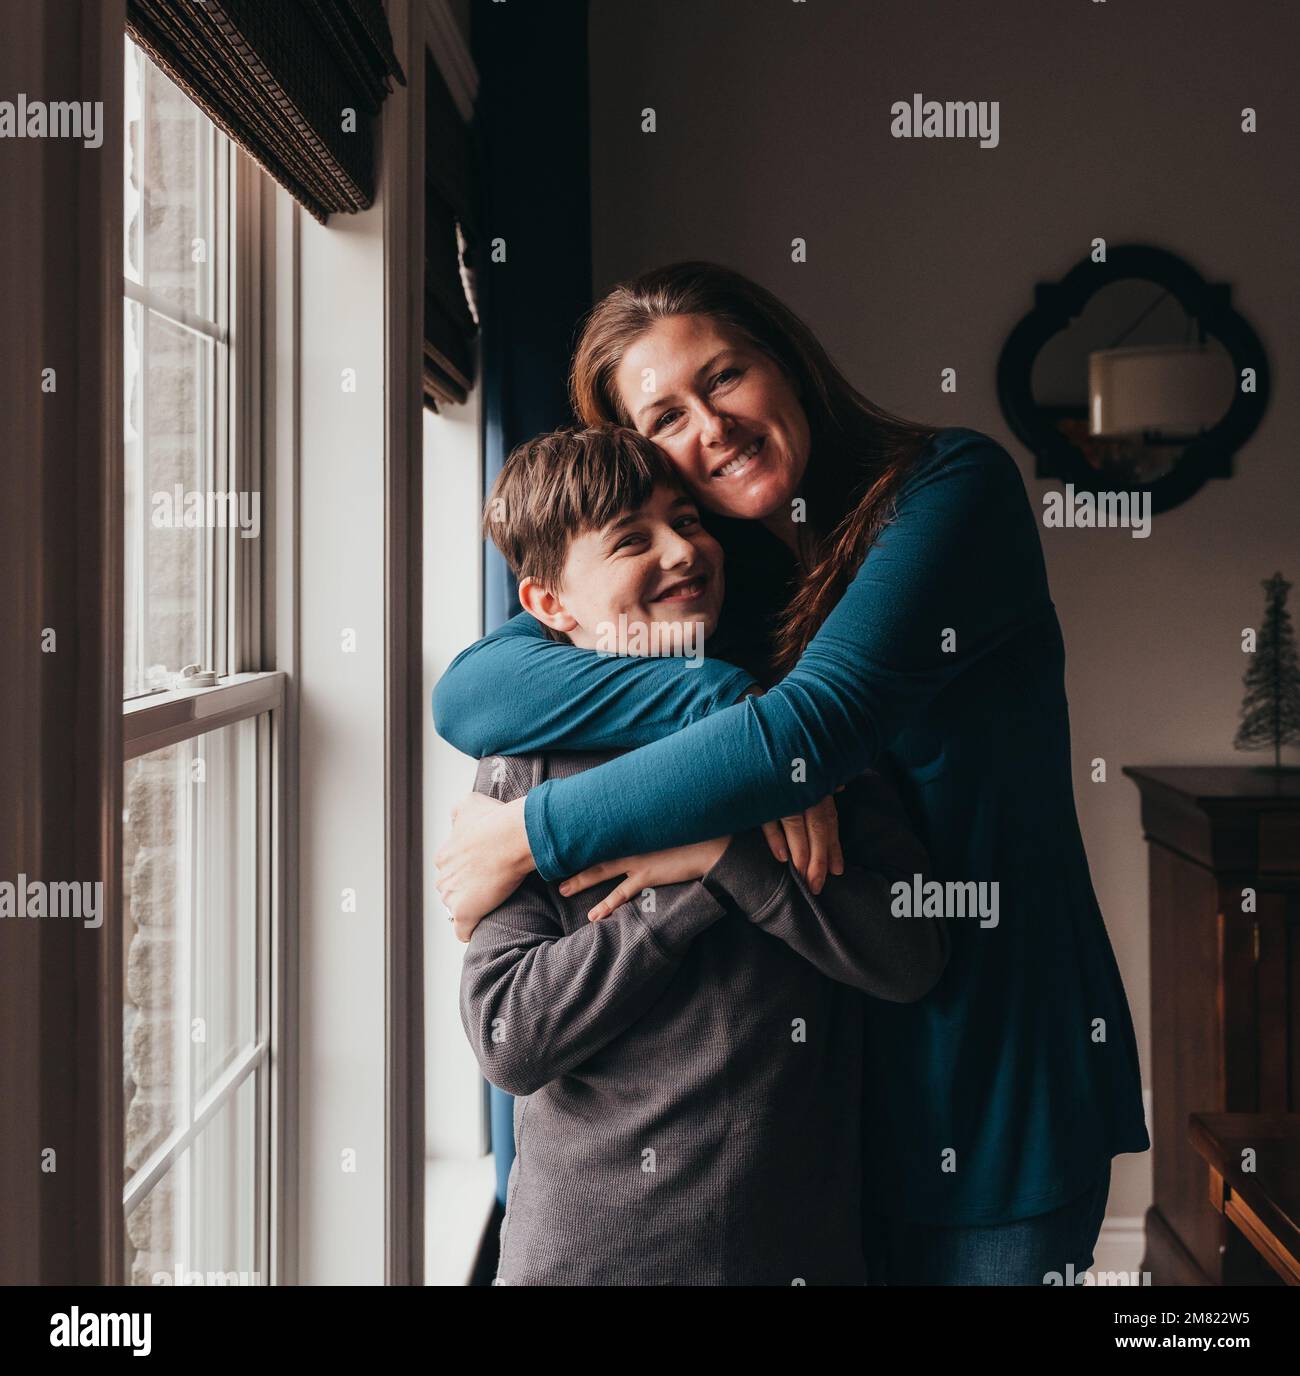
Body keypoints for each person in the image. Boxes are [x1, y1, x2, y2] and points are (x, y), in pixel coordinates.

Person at [434, 261, 1150, 1285]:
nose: (711, 426)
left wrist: (536, 831)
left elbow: (814, 726)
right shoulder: (733, 576)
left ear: (790, 366)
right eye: (667, 415)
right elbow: (471, 690)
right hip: (822, 1127)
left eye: (724, 375)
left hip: (986, 1066)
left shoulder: (950, 492)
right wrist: (719, 701)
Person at [458, 424, 947, 1285]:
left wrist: (727, 857)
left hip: (798, 1254)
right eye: (632, 539)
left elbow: (909, 955)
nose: (684, 551)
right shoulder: (520, 767)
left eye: (688, 520)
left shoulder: (799, 734)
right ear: (550, 605)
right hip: (587, 1260)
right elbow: (508, 1034)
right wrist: (681, 896)